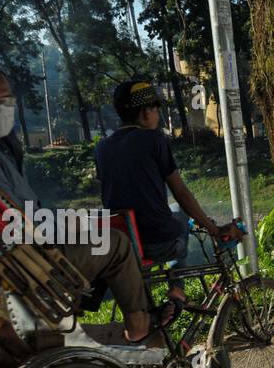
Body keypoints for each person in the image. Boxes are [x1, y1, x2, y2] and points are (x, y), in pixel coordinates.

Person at [0, 61, 158, 342]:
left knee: (94, 229)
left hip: (13, 250)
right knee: (116, 243)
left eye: (6, 100)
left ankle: (77, 312)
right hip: (25, 260)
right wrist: (75, 226)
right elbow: (19, 221)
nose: (0, 107)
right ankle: (139, 325)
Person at [95, 80, 241, 307]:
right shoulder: (153, 139)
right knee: (178, 214)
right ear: (145, 112)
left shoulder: (102, 147)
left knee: (171, 216)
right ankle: (177, 288)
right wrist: (213, 229)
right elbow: (182, 194)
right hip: (157, 243)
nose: (157, 115)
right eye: (156, 109)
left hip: (122, 244)